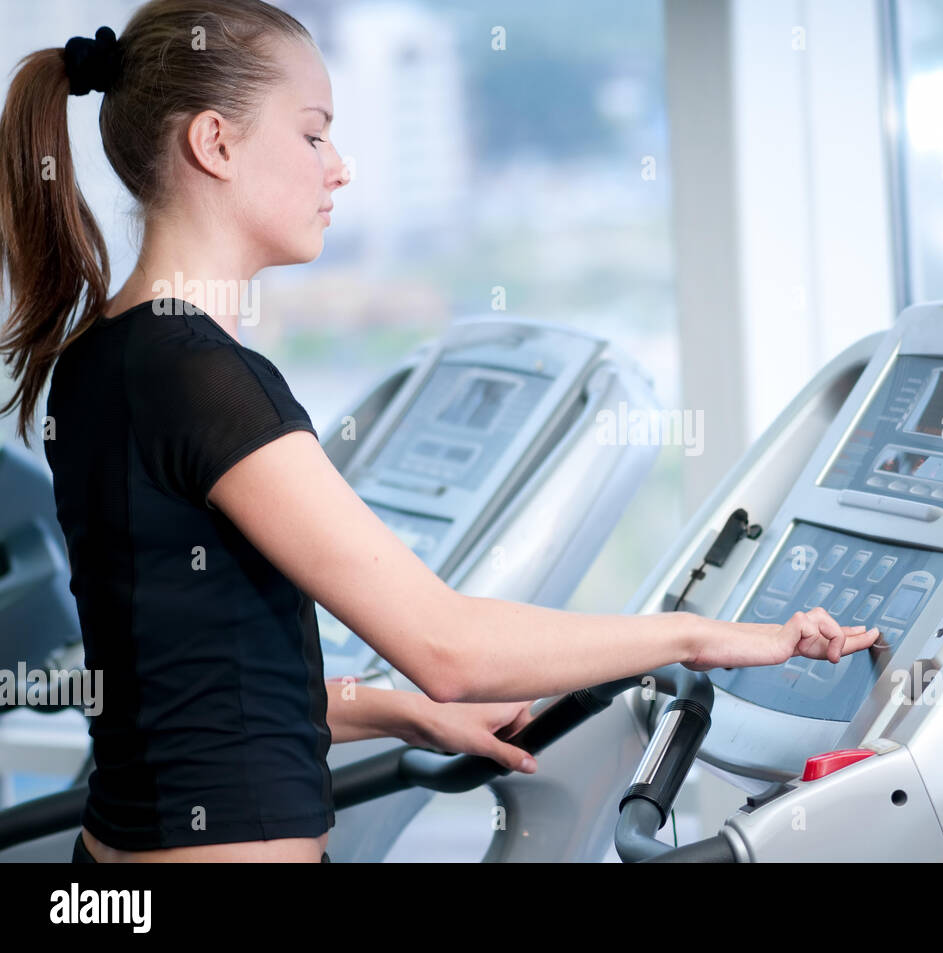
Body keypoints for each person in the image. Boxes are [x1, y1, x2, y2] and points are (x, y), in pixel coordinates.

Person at [0, 0, 878, 863]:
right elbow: (448, 647)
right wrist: (697, 636)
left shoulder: (98, 357)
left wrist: (395, 709)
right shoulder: (204, 377)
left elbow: (194, 680)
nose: (338, 168)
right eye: (313, 135)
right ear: (215, 142)